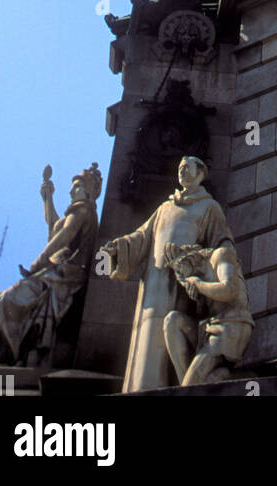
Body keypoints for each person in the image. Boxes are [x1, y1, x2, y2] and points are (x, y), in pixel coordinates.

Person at [102, 155, 234, 392]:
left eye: (187, 167)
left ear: (201, 172)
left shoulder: (209, 207)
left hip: (184, 286)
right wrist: (119, 247)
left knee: (171, 333)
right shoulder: (165, 207)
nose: (182, 171)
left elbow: (222, 246)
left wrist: (195, 260)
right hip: (153, 284)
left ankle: (176, 386)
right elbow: (142, 237)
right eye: (180, 168)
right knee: (146, 340)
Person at [0, 163, 101, 367]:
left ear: (90, 191)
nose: (72, 191)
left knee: (4, 302)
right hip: (53, 274)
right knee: (0, 302)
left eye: (78, 187)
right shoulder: (78, 212)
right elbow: (55, 225)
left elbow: (63, 236)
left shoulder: (83, 210)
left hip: (61, 277)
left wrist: (38, 262)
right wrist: (48, 197)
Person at [162, 242, 253, 385]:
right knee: (172, 321)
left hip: (232, 327)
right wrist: (198, 298)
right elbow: (204, 314)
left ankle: (190, 387)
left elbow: (230, 289)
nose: (183, 277)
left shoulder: (221, 255)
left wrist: (198, 284)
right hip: (209, 331)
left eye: (181, 270)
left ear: (190, 259)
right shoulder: (199, 279)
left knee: (189, 384)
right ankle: (194, 385)